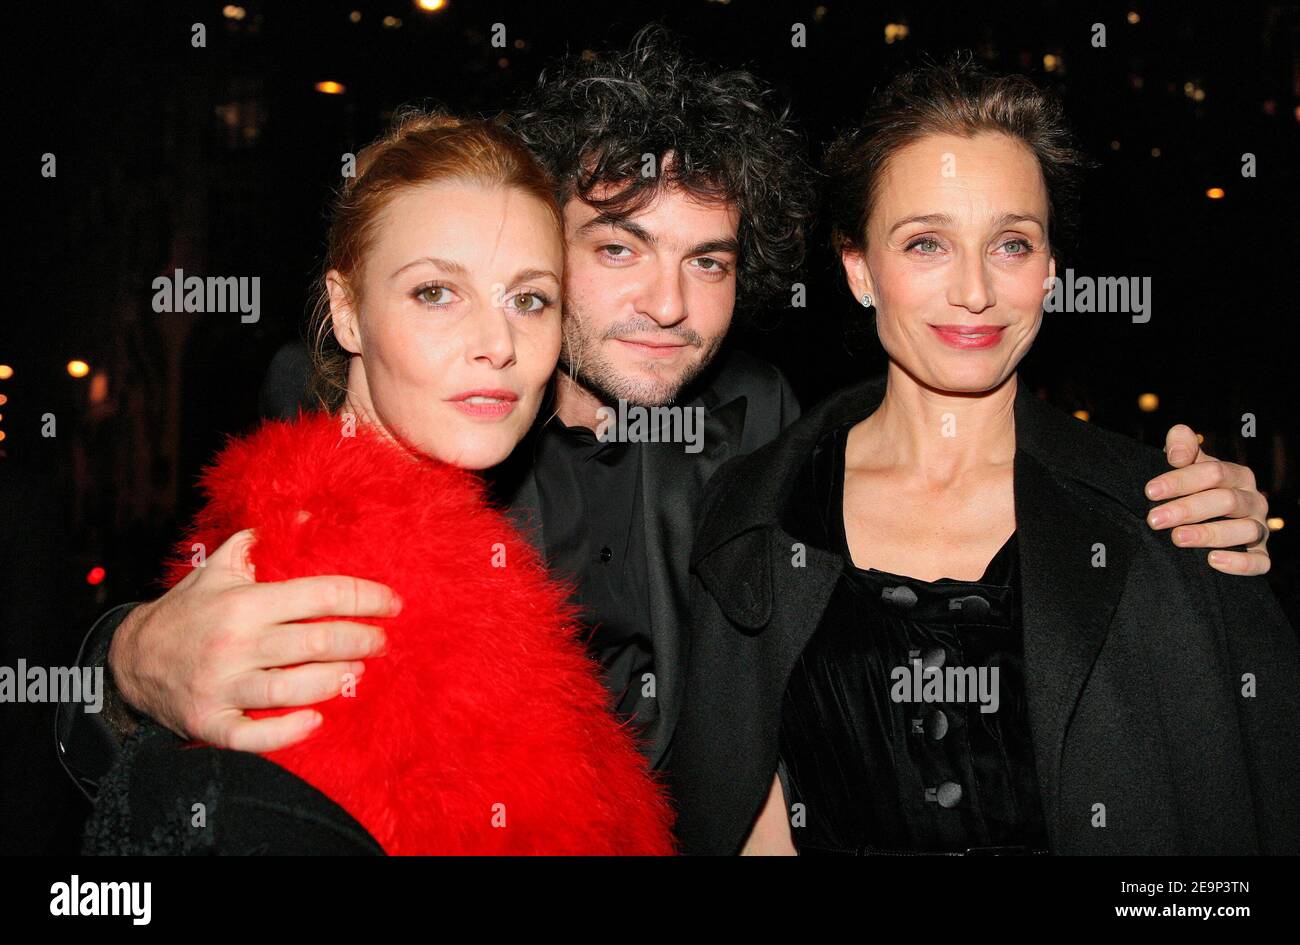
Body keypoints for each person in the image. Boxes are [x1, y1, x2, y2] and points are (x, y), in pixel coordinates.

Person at [59, 31, 1273, 810]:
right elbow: (212, 633)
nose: (666, 306)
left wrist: (1188, 512)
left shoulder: (763, 423)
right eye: (619, 248)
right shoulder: (401, 409)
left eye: (709, 262)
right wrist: (123, 664)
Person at [670, 56, 1298, 856]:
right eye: (927, 243)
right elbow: (735, 811)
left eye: (1011, 245)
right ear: (859, 268)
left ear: (1051, 271)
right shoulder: (755, 513)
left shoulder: (1164, 517)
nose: (975, 291)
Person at [82, 110, 676, 855]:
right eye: (436, 292)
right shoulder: (338, 575)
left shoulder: (454, 530)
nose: (497, 345)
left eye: (528, 299)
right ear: (347, 310)